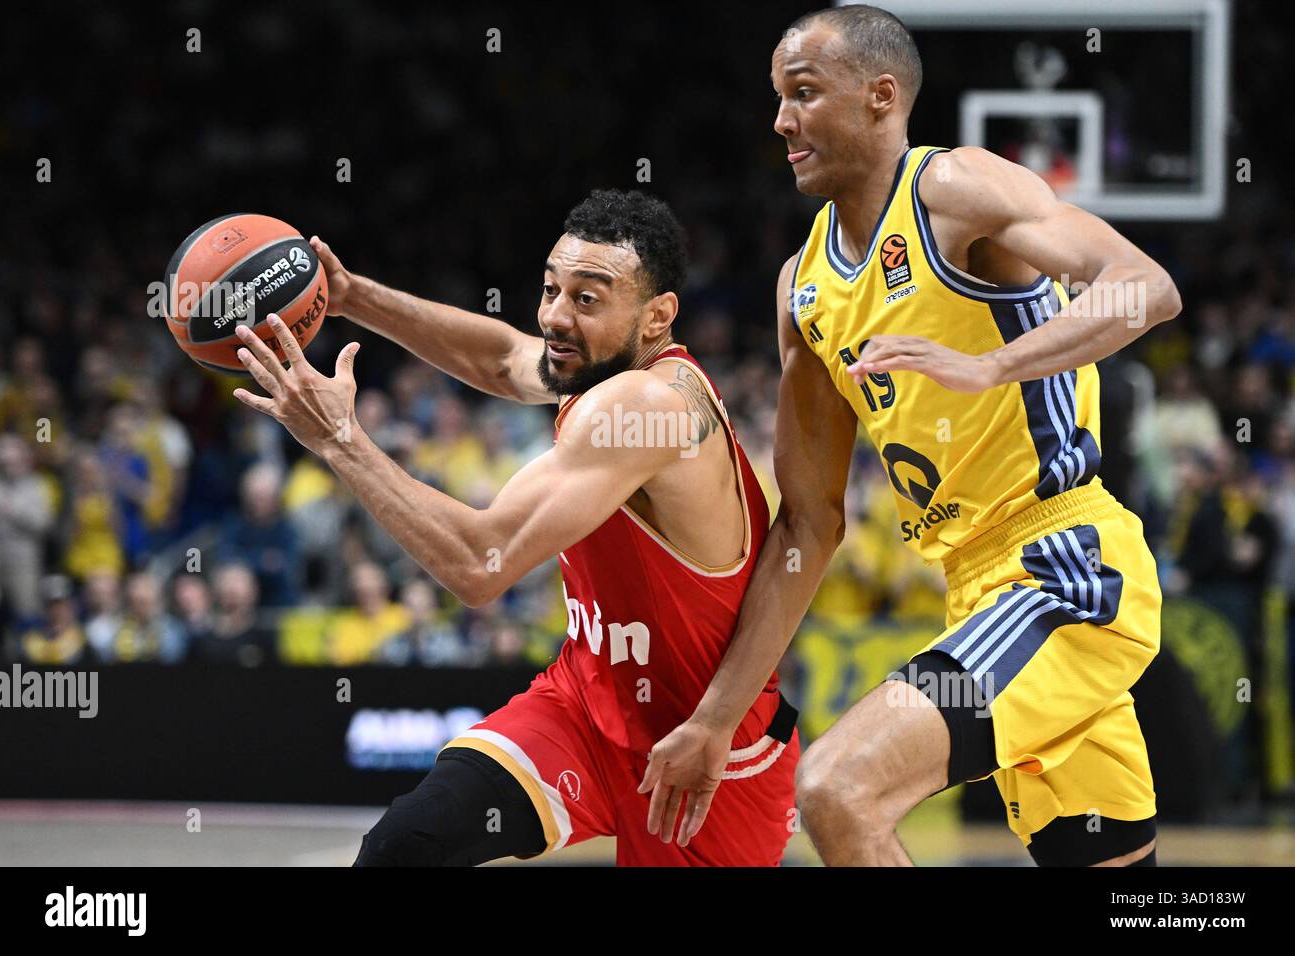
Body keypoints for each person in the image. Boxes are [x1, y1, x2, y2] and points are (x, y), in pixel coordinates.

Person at [641, 5, 1181, 867]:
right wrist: (713, 721)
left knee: (837, 788)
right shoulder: (804, 288)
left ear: (880, 96)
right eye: (778, 98)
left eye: (804, 94)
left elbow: (1143, 288)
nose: (781, 120)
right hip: (974, 591)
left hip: (1065, 568)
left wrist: (993, 366)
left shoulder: (953, 189)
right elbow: (807, 528)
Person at [231, 189, 799, 866]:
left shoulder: (649, 406)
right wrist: (353, 297)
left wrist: (340, 440)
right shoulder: (600, 366)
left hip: (706, 747)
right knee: (407, 843)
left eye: (586, 299)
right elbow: (501, 359)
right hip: (585, 710)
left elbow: (481, 563)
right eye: (551, 289)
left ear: (657, 317)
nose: (556, 315)